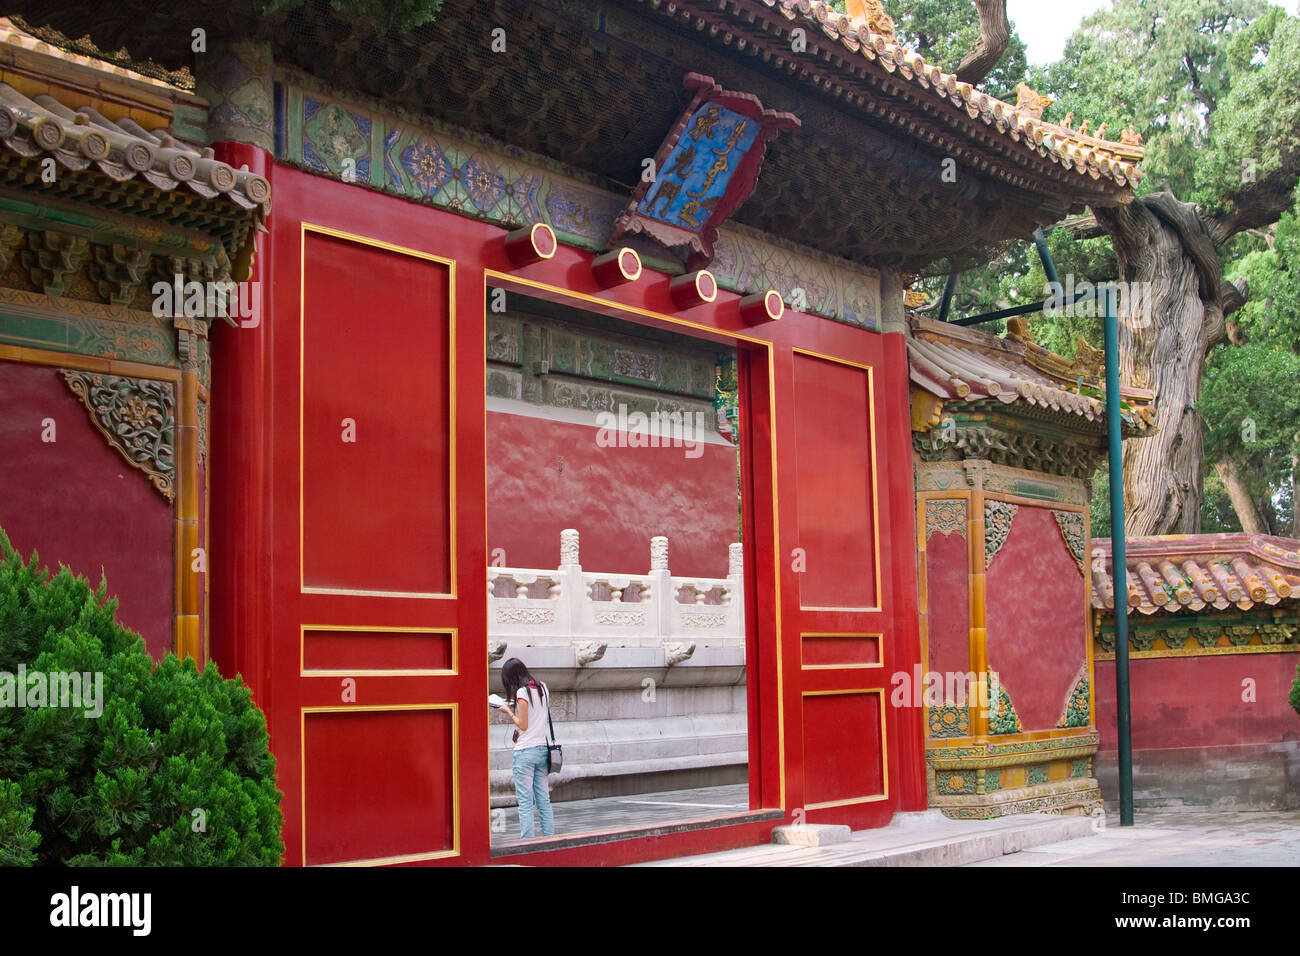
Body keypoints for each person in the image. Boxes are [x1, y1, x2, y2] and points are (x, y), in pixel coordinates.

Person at [498, 657, 555, 839]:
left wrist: (508, 712)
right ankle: (550, 838)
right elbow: (536, 713)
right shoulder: (543, 687)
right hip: (542, 750)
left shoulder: (522, 692)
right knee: (543, 800)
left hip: (525, 752)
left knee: (525, 801)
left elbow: (522, 725)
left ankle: (527, 842)